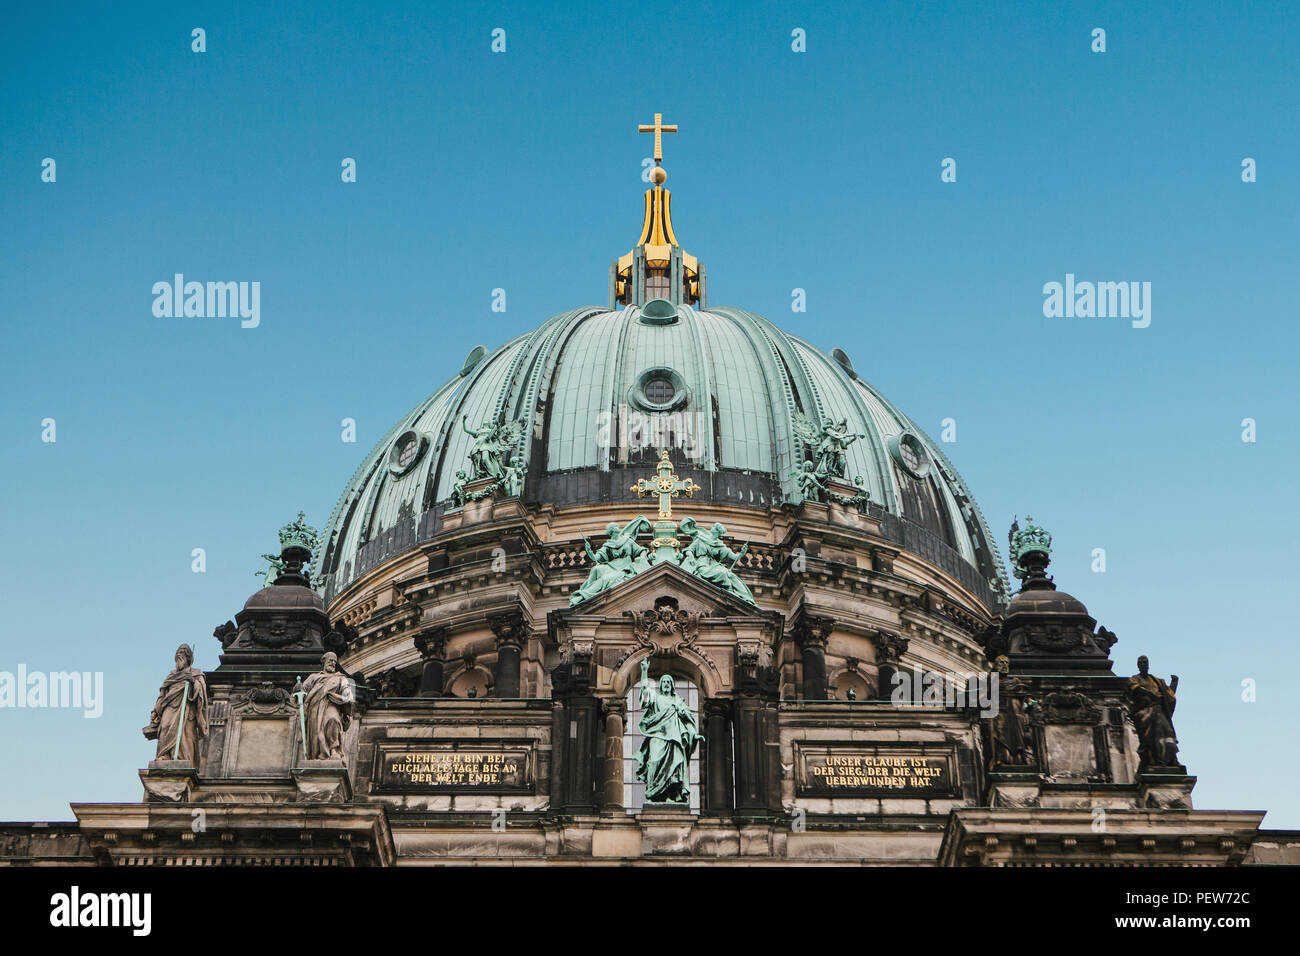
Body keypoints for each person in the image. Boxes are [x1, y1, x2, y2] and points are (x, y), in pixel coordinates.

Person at [635, 659, 702, 803]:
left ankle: (672, 796)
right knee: (654, 761)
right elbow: (645, 693)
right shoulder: (656, 698)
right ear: (661, 685)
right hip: (658, 735)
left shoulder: (678, 701)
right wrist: (645, 671)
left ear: (671, 686)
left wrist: (694, 734)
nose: (666, 684)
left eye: (668, 682)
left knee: (675, 765)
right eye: (664, 682)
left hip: (675, 738)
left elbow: (687, 720)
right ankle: (653, 794)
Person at [144, 644, 209, 763]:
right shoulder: (171, 676)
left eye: (183, 653)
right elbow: (162, 694)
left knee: (185, 735)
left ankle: (183, 758)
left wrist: (193, 682)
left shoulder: (195, 673)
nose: (180, 654)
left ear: (188, 657)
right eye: (178, 652)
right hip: (169, 707)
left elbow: (201, 693)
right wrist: (155, 711)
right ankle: (164, 755)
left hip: (186, 709)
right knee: (165, 727)